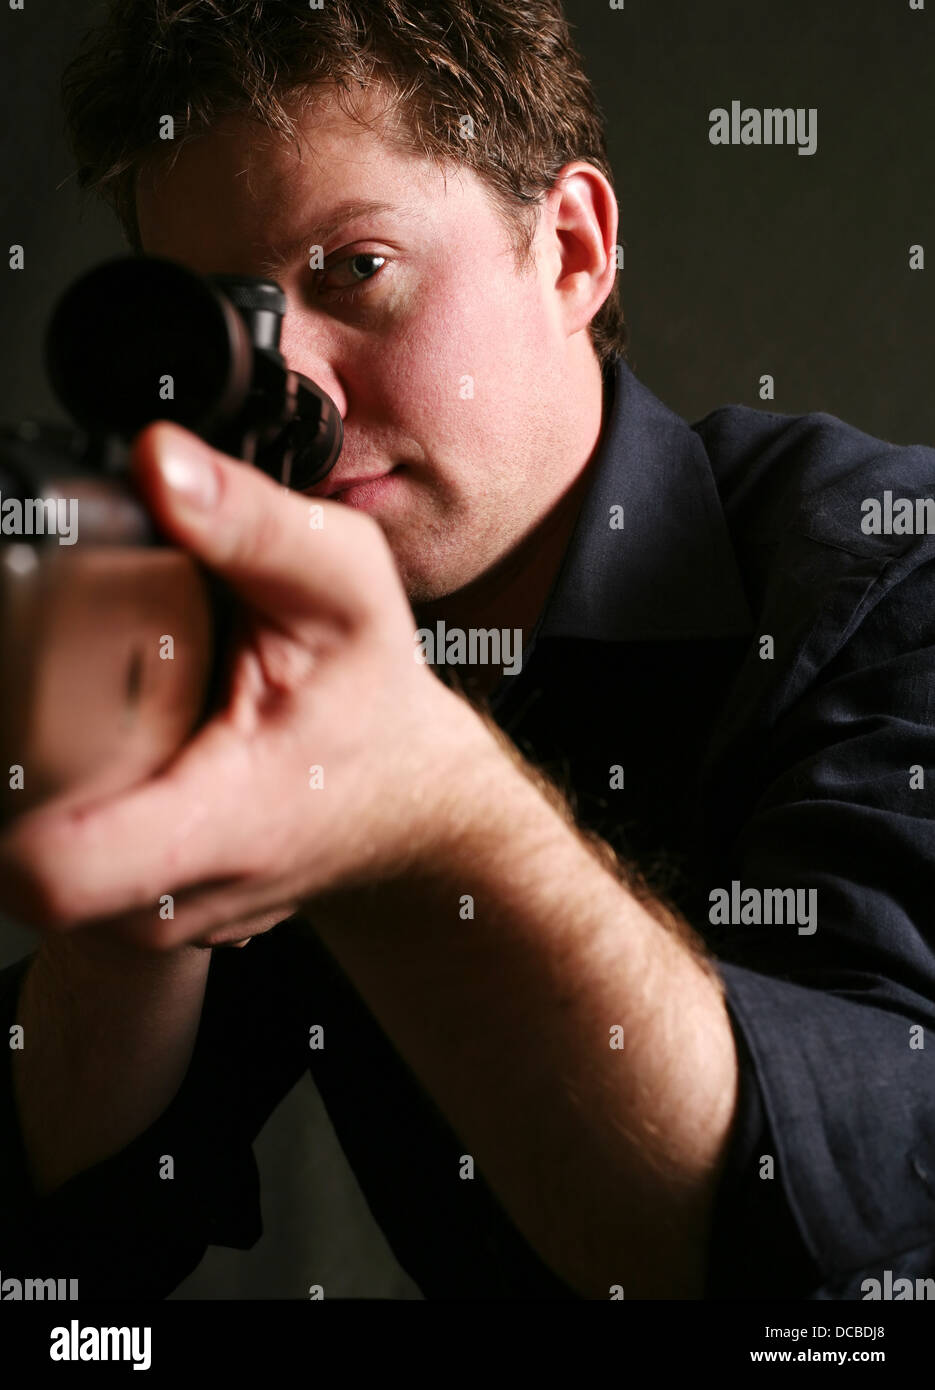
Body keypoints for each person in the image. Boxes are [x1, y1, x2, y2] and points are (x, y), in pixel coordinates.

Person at [1, 0, 934, 1302]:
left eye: (353, 270)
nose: (293, 398)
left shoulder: (893, 573)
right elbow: (77, 1257)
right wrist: (127, 906)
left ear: (570, 248)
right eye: (229, 327)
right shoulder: (259, 636)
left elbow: (847, 1228)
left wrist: (431, 801)